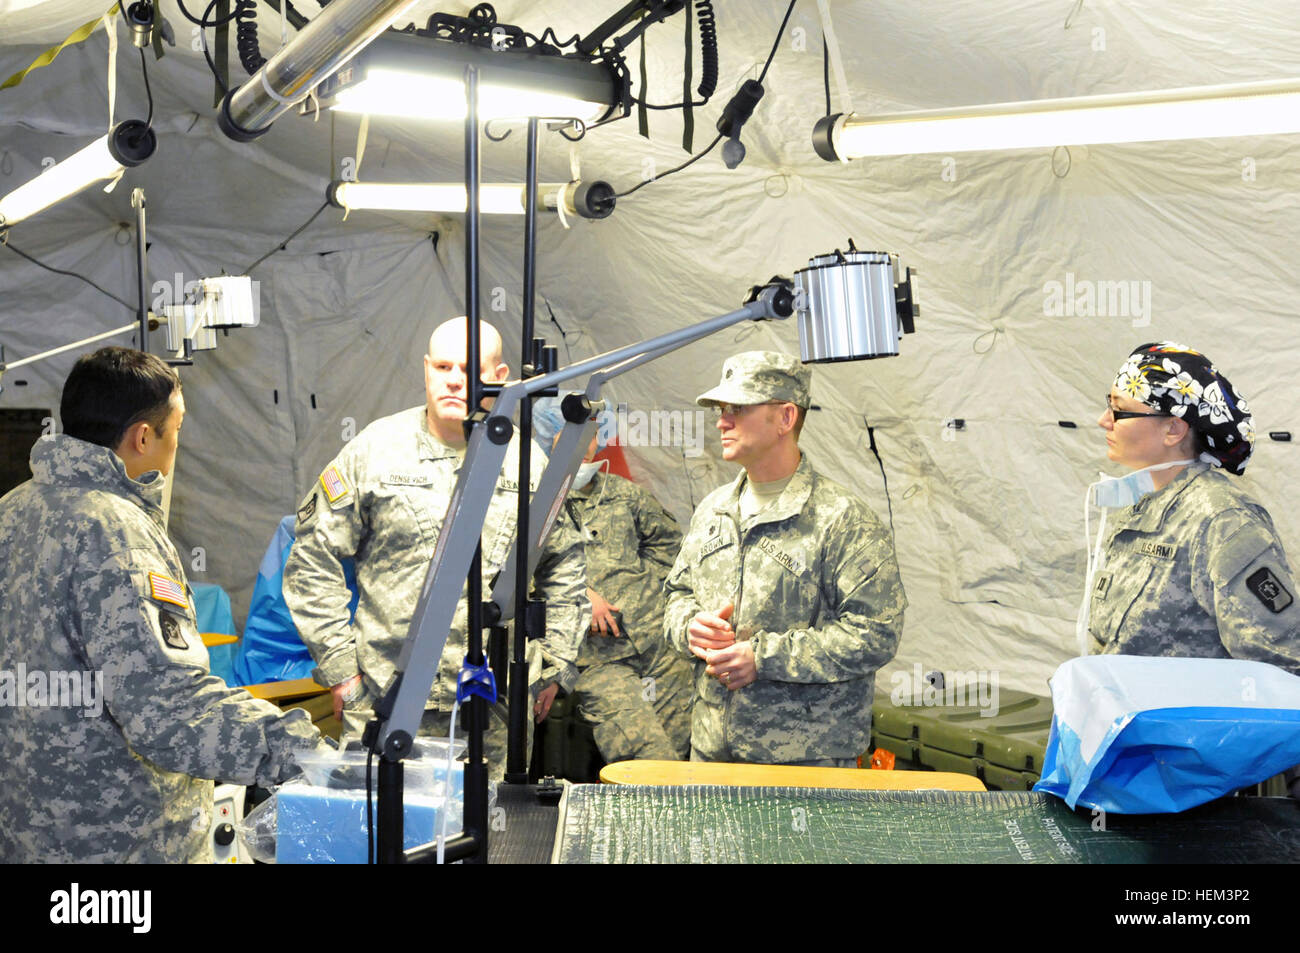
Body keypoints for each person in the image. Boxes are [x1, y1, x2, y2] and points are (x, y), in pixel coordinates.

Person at [0, 347, 325, 863]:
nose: (178, 445)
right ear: (144, 437)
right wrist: (307, 755)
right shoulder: (115, 532)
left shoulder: (12, 510)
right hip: (119, 844)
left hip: (24, 832)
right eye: (177, 430)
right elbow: (170, 709)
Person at [283, 317, 587, 779]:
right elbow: (311, 560)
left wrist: (555, 664)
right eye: (442, 366)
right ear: (426, 368)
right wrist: (342, 668)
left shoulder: (526, 461)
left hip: (495, 708)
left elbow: (563, 561)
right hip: (388, 697)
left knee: (495, 839)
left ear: (500, 378)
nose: (452, 380)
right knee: (385, 837)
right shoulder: (374, 452)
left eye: (468, 369)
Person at [663, 351, 906, 765]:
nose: (722, 422)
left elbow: (877, 632)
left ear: (785, 418)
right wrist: (689, 628)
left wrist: (763, 657)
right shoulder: (714, 510)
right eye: (722, 410)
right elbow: (676, 594)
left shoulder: (841, 520)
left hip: (804, 764)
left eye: (737, 409)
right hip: (712, 753)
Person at [1086, 341, 1300, 671]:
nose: (1104, 421)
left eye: (1120, 410)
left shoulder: (1223, 521)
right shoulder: (1142, 504)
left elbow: (1282, 665)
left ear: (1173, 429)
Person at [534, 400, 692, 762]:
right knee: (647, 758)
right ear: (547, 436)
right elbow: (515, 577)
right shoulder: (531, 501)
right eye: (567, 432)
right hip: (593, 658)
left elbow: (669, 546)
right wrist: (580, 596)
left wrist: (643, 593)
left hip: (658, 648)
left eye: (588, 434)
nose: (580, 442)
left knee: (681, 754)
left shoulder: (624, 494)